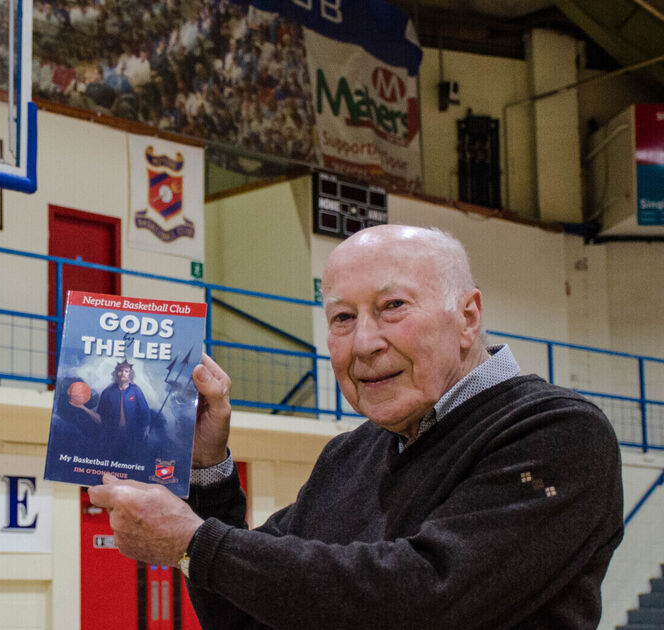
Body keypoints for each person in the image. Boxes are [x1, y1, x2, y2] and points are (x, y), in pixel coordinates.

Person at [88, 224, 624, 629]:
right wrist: (208, 472)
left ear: (467, 317)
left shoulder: (558, 433)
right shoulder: (348, 455)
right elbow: (244, 613)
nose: (364, 343)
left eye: (393, 307)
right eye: (343, 318)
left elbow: (427, 597)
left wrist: (194, 542)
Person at [96, 360, 153, 460]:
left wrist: (146, 426)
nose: (123, 373)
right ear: (116, 373)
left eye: (126, 371)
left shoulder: (136, 391)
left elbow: (144, 410)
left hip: (132, 434)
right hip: (112, 435)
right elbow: (101, 413)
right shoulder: (108, 392)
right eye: (120, 370)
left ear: (130, 374)